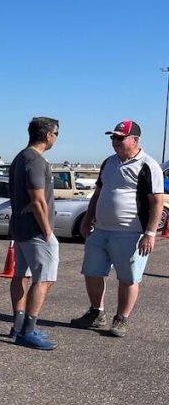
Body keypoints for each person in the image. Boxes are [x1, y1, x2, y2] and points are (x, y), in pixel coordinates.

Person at [70, 120, 164, 338]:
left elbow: (156, 202)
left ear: (135, 140)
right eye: (113, 137)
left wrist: (150, 233)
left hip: (131, 233)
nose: (115, 141)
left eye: (120, 138)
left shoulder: (148, 165)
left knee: (128, 278)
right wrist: (87, 220)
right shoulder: (108, 163)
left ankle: (121, 318)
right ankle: (96, 312)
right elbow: (97, 194)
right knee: (92, 272)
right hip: (101, 230)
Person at [8, 116, 60, 349]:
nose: (56, 138)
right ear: (48, 135)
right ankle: (28, 330)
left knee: (22, 274)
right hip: (36, 231)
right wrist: (47, 231)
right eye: (56, 134)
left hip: (20, 228)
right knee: (44, 278)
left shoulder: (20, 157)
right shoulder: (36, 161)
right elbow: (38, 200)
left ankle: (18, 325)